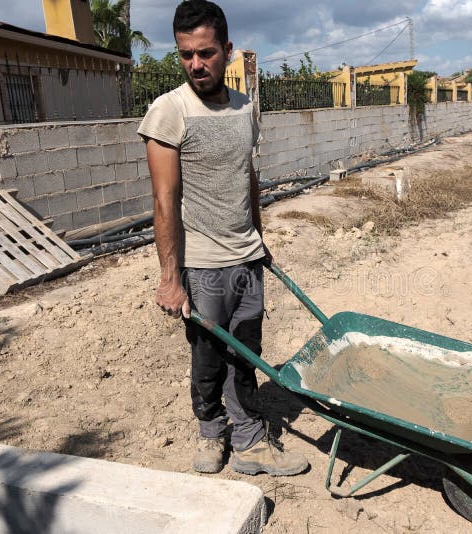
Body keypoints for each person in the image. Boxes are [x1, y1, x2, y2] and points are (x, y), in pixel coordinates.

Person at [137, 0, 308, 477]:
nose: (196, 64)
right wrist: (171, 278)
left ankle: (251, 443)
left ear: (227, 51)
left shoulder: (243, 108)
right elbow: (164, 203)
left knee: (246, 352)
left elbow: (248, 177)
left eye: (206, 53)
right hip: (203, 265)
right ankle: (211, 433)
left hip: (246, 257)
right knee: (209, 357)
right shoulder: (168, 112)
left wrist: (259, 237)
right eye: (186, 54)